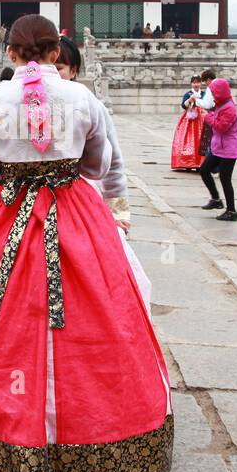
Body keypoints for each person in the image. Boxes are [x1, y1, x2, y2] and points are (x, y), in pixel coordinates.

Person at [0, 14, 172, 472]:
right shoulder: (82, 98)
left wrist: (12, 160)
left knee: (6, 323)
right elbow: (99, 167)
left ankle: (8, 442)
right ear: (55, 52)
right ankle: (101, 441)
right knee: (100, 318)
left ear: (9, 53)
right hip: (75, 216)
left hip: (8, 219)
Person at [55, 35, 151, 305]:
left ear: (74, 71)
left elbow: (114, 165)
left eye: (60, 68)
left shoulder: (91, 106)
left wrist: (119, 212)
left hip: (84, 197)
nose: (53, 74)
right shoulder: (25, 106)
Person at [199, 78, 237, 220]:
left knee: (225, 179)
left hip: (229, 148)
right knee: (204, 169)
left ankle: (231, 211)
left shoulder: (229, 107)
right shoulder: (221, 104)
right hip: (219, 146)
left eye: (213, 92)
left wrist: (208, 117)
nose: (212, 95)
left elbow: (221, 126)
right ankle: (216, 199)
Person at [170, 75, 206, 171]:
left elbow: (207, 104)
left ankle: (200, 162)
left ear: (201, 83)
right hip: (189, 120)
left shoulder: (203, 94)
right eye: (194, 82)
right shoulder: (188, 94)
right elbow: (183, 105)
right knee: (188, 139)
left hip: (201, 119)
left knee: (200, 139)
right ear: (191, 83)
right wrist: (189, 101)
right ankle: (188, 161)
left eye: (198, 82)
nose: (196, 84)